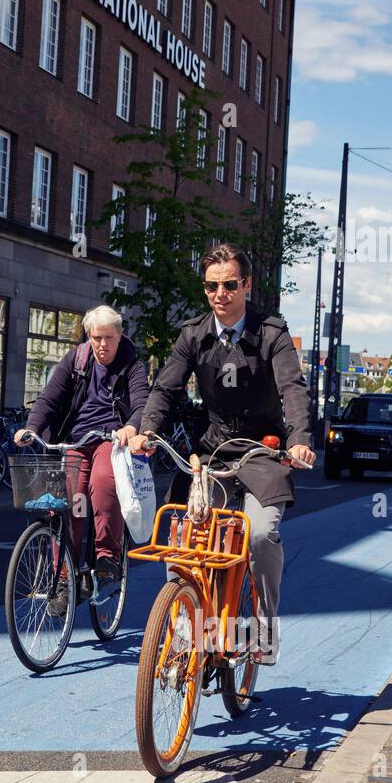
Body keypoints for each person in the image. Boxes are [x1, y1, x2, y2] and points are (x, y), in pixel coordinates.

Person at [129, 243, 314, 665]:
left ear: (246, 285)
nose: (220, 294)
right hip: (211, 455)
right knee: (184, 537)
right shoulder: (193, 334)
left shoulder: (272, 333)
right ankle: (182, 627)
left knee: (261, 535)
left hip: (263, 452)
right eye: (212, 286)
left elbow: (292, 389)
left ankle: (264, 630)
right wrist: (148, 430)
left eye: (230, 285)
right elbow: (165, 388)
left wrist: (299, 438)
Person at [15, 305, 149, 615]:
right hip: (74, 440)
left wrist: (131, 427)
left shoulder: (132, 365)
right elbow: (49, 398)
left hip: (110, 439)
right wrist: (31, 428)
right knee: (67, 501)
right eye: (96, 337)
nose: (102, 345)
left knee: (103, 483)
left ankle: (107, 556)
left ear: (120, 336)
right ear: (88, 336)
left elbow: (143, 403)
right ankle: (63, 578)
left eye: (109, 338)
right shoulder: (76, 359)